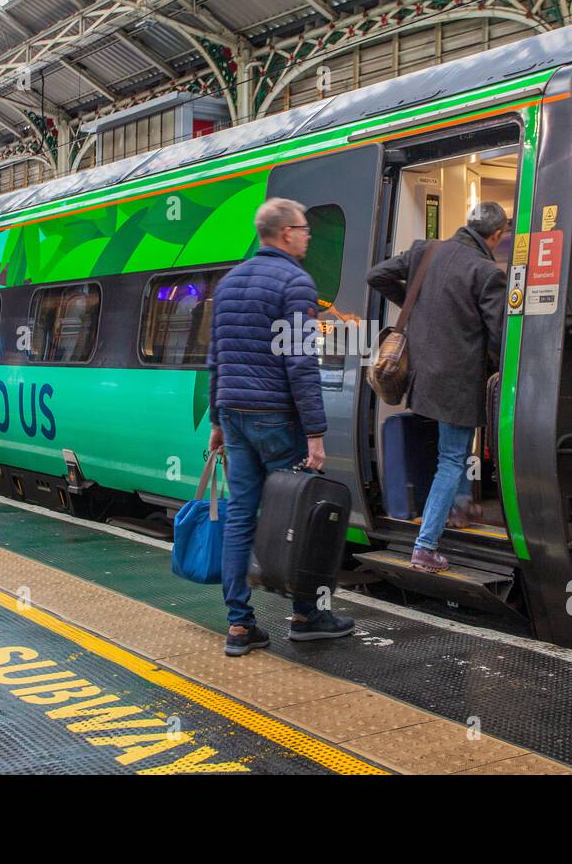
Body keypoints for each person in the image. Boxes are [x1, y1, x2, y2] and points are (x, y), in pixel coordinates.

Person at [207, 197, 356, 656]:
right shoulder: (295, 283)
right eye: (305, 229)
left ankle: (238, 625)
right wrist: (315, 433)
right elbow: (300, 362)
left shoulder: (230, 282)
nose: (309, 235)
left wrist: (216, 420)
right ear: (286, 233)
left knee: (240, 513)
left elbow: (217, 358)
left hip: (233, 412)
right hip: (275, 415)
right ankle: (307, 614)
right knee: (298, 511)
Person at [366, 202, 508, 573]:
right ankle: (425, 546)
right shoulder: (486, 272)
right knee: (451, 457)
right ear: (496, 235)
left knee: (451, 452)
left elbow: (377, 275)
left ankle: (458, 506)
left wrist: (416, 307)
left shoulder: (424, 250)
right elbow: (499, 337)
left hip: (421, 376)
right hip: (457, 383)